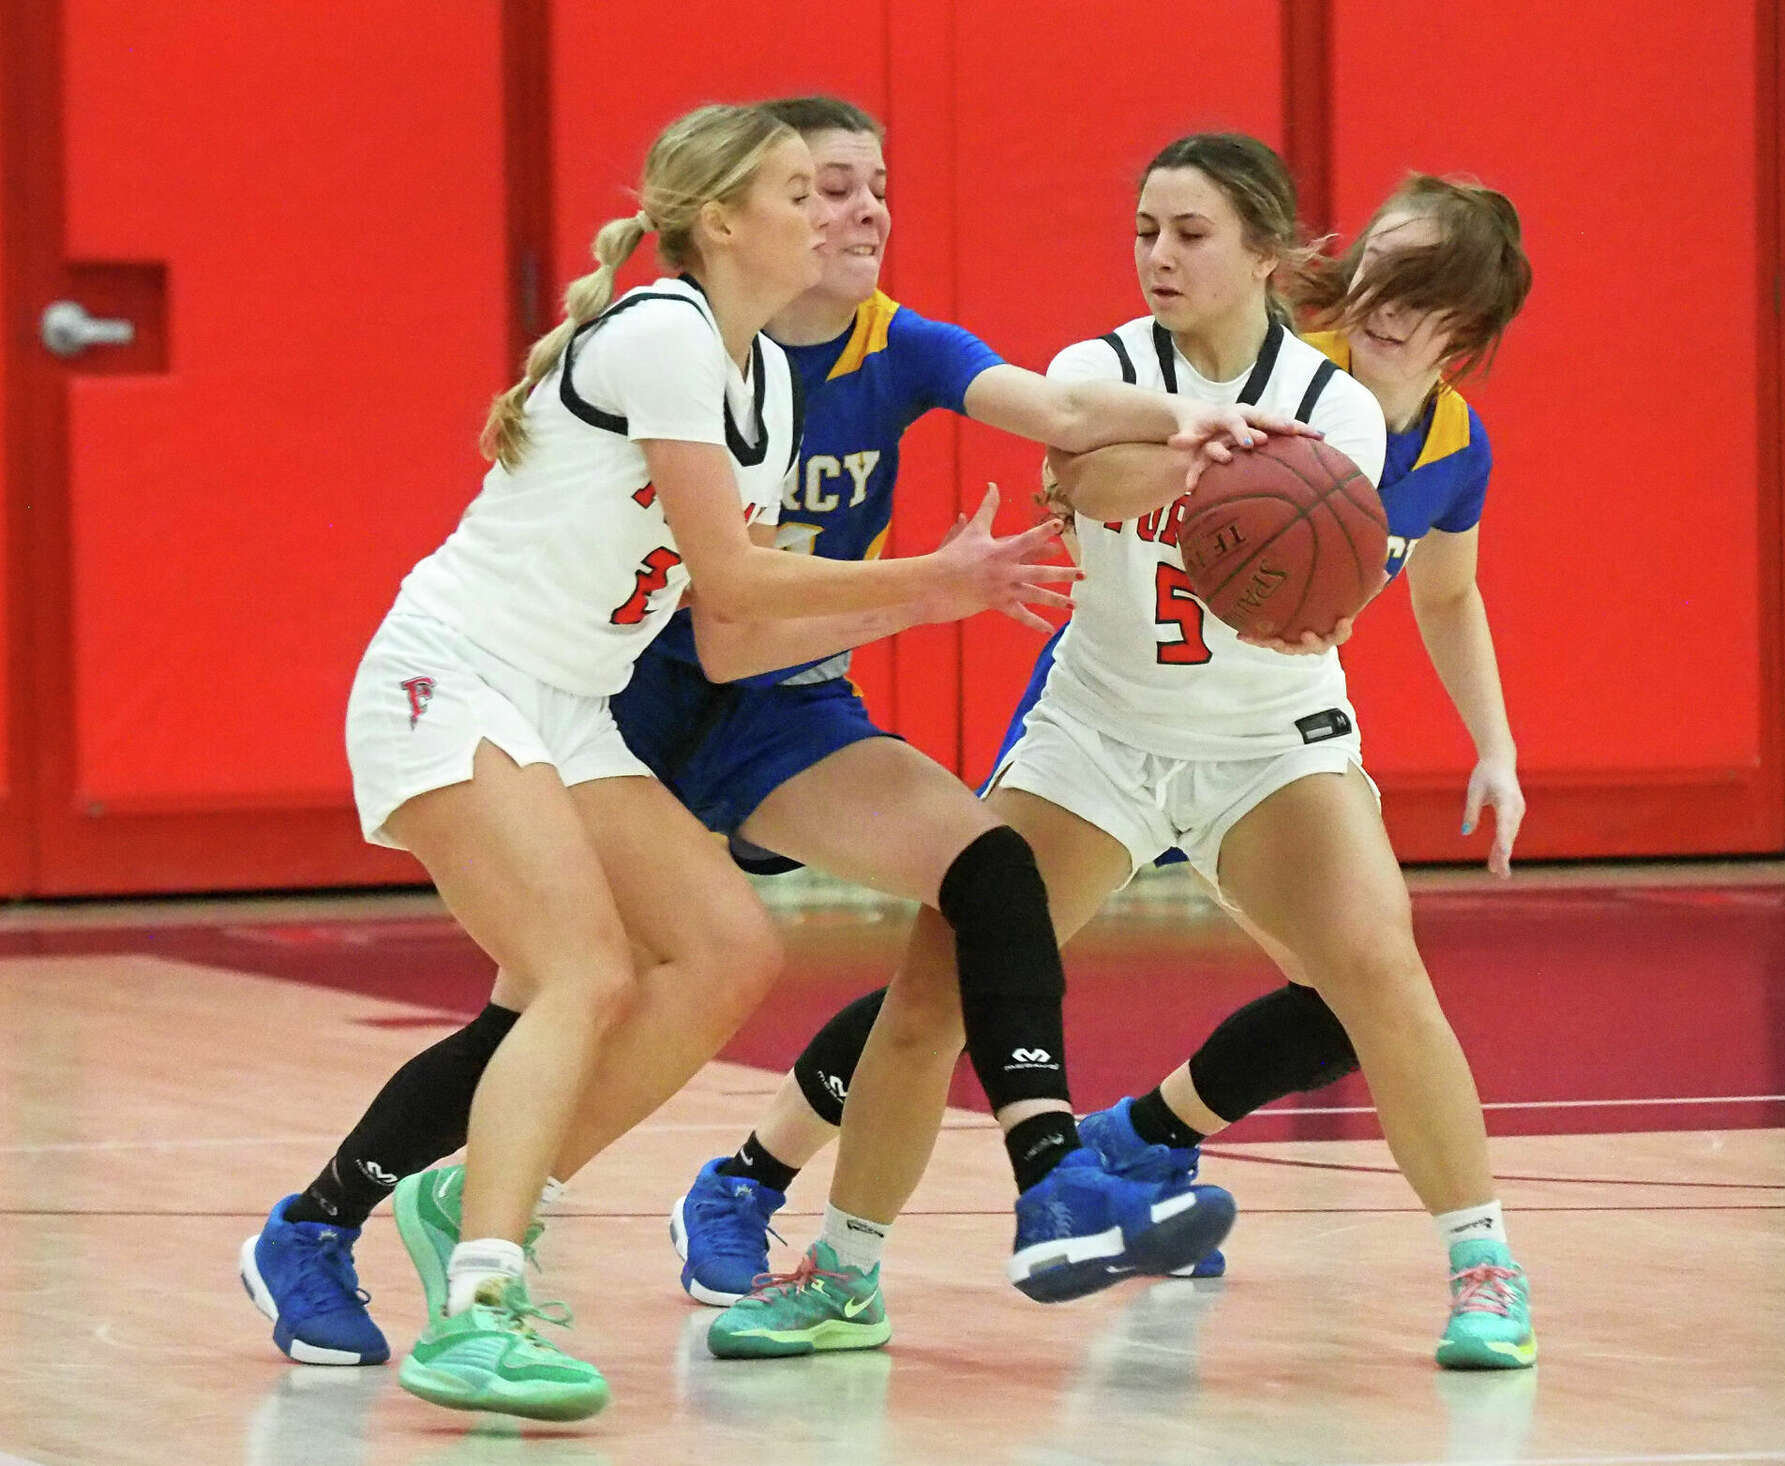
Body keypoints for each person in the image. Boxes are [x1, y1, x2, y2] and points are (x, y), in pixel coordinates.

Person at [241, 97, 1297, 1381]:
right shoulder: (667, 335)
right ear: (725, 220)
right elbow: (732, 585)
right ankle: (474, 1289)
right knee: (572, 978)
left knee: (724, 951)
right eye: (807, 190)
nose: (840, 213)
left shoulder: (767, 392)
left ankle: (434, 1210)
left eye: (856, 187)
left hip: (583, 704)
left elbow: (743, 642)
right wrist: (940, 580)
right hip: (462, 679)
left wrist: (1186, 430)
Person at [702, 144, 1540, 1371]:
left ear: (1265, 253)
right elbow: (1085, 477)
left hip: (1269, 742)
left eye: (1190, 233)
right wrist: (1217, 457)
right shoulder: (1099, 368)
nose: (1158, 254)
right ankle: (842, 1272)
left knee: (1377, 968)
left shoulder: (1340, 402)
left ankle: (1484, 1265)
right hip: (1099, 735)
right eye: (1144, 228)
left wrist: (1305, 552)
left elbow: (1333, 589)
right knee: (939, 985)